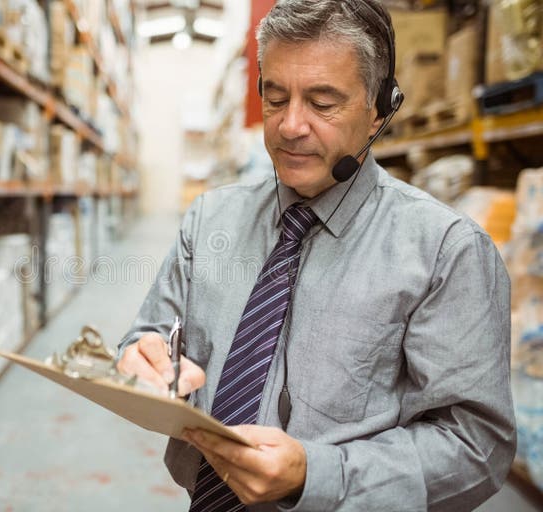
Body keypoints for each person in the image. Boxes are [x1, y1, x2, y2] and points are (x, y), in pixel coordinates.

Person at [117, 0, 516, 510]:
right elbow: (149, 335)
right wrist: (141, 358)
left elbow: (476, 447)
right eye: (275, 98)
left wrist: (317, 475)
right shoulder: (211, 218)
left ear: (379, 110)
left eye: (323, 103)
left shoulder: (444, 250)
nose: (290, 126)